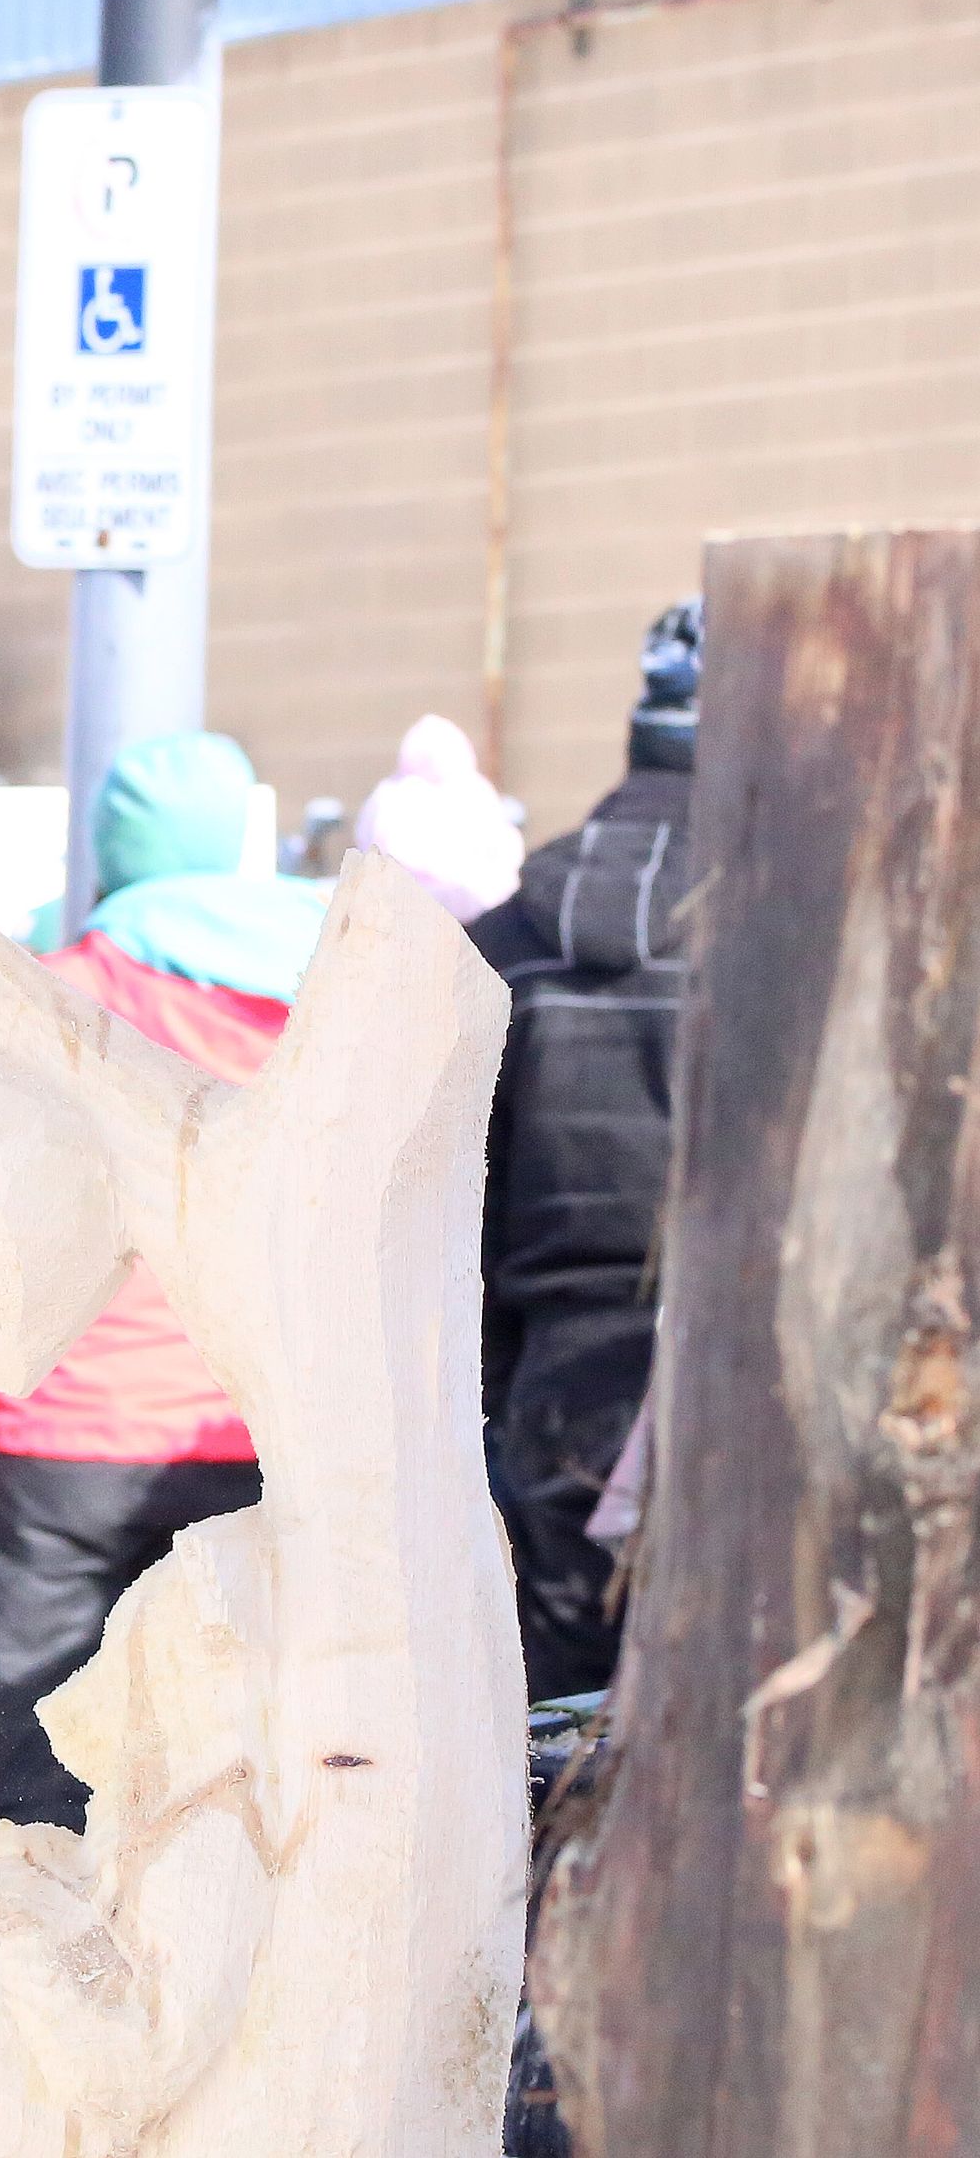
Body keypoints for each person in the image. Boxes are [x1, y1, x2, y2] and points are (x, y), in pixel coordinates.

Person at [0, 732, 327, 1832]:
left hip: (53, 1434)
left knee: (32, 1787)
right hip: (251, 1432)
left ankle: (33, 1939)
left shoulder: (52, 997)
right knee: (227, 1773)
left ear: (112, 850)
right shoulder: (328, 1005)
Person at [467, 602, 699, 1702]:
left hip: (561, 1382)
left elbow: (449, 1203)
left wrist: (489, 1399)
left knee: (567, 1720)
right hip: (763, 1366)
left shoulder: (506, 944)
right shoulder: (819, 930)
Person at [352, 711, 523, 923]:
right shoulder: (397, 796)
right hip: (421, 911)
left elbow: (502, 848)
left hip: (470, 909)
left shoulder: (474, 790)